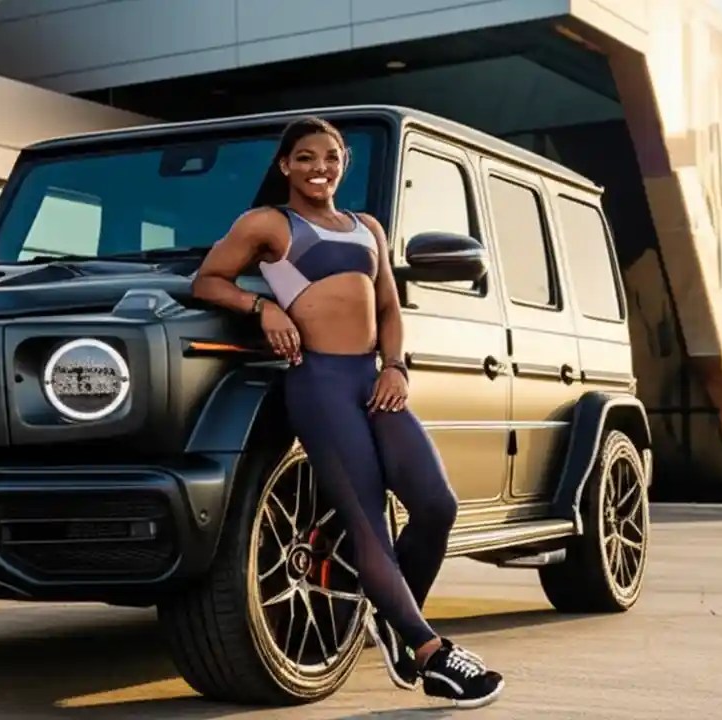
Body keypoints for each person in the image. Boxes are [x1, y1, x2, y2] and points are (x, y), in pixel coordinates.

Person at [190, 116, 504, 709]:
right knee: (368, 526)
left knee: (437, 505)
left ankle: (392, 619)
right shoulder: (267, 224)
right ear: (285, 166)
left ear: (344, 165)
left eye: (330, 157)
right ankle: (430, 653)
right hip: (320, 385)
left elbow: (389, 304)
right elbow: (207, 281)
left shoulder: (368, 228)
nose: (319, 169)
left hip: (373, 381)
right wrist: (263, 307)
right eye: (305, 158)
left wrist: (396, 367)